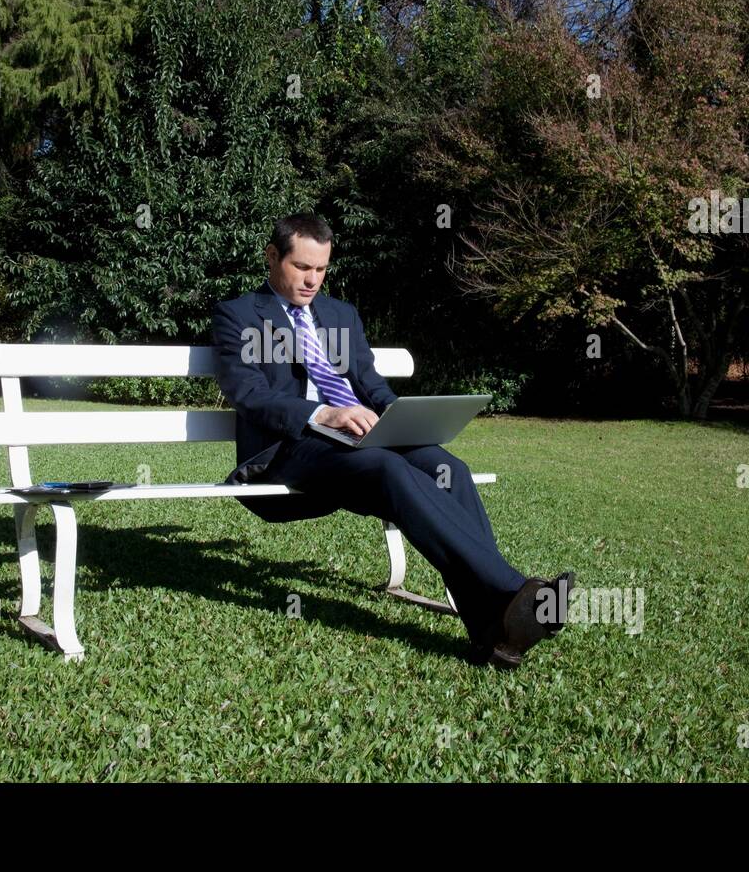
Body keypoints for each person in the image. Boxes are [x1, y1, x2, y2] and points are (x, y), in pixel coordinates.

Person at [211, 212, 573, 669]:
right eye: (302, 267)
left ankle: (492, 632)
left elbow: (372, 386)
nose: (312, 280)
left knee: (451, 471)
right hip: (290, 449)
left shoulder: (341, 315)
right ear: (271, 256)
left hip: (363, 440)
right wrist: (324, 412)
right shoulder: (239, 314)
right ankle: (514, 591)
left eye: (321, 270)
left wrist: (399, 417)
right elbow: (249, 394)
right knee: (388, 469)